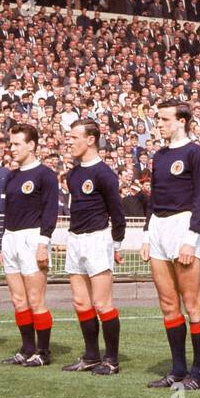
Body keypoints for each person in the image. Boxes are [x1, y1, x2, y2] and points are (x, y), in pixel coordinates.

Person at [140, 98, 200, 389]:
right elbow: (154, 197)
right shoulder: (160, 155)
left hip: (183, 226)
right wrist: (146, 234)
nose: (160, 125)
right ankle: (177, 369)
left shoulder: (196, 153)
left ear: (182, 121)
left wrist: (190, 239)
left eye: (165, 120)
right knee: (168, 304)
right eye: (158, 120)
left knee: (192, 303)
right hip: (158, 226)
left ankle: (198, 372)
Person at [63, 117, 127, 375]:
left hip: (97, 239)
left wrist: (117, 243)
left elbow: (117, 211)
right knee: (81, 302)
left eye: (74, 137)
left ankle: (111, 359)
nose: (70, 142)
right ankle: (91, 355)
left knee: (102, 303)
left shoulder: (104, 173)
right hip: (75, 239)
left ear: (90, 140)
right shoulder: (73, 174)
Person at [0, 122, 60, 366]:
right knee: (18, 299)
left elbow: (50, 211)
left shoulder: (45, 174)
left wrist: (43, 243)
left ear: (31, 145)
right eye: (10, 144)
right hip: (11, 238)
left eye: (17, 144)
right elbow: (9, 211)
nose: (11, 148)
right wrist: (5, 243)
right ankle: (26, 348)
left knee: (35, 299)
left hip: (32, 237)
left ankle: (43, 352)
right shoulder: (12, 175)